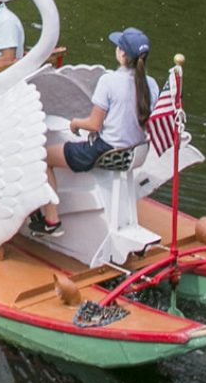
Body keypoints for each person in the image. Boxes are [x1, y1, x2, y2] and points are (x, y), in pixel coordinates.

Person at [30, 27, 159, 236]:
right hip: (134, 153)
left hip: (108, 151)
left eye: (118, 46)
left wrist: (75, 123)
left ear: (123, 54)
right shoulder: (150, 84)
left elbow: (94, 125)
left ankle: (51, 221)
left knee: (43, 158)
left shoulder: (109, 81)